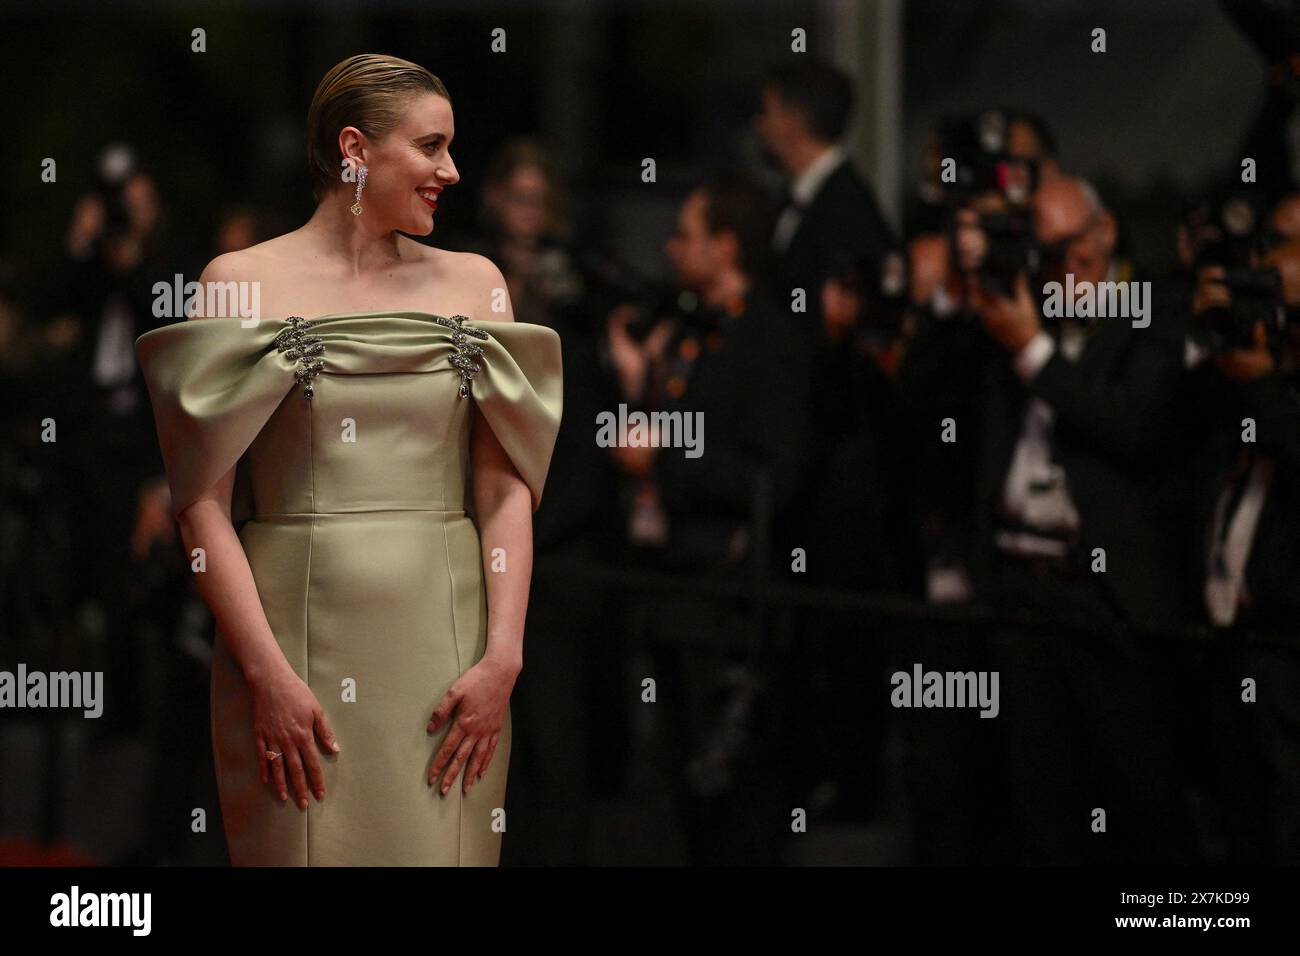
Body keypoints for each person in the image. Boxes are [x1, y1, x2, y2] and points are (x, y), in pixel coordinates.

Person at [133, 53, 563, 866]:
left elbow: (506, 494)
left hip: (451, 654)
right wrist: (267, 676)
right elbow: (200, 507)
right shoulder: (240, 281)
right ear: (356, 149)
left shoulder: (478, 284)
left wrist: (504, 656)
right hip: (290, 647)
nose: (452, 171)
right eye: (431, 148)